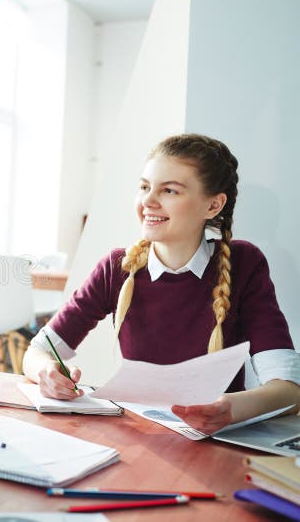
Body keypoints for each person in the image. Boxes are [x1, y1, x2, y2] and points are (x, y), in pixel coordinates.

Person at [23, 133, 300, 434]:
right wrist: (47, 372)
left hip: (213, 441)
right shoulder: (117, 268)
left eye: (169, 190)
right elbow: (37, 352)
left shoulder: (243, 264)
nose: (148, 201)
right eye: (145, 187)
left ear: (213, 205)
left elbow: (290, 391)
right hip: (137, 437)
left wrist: (230, 409)